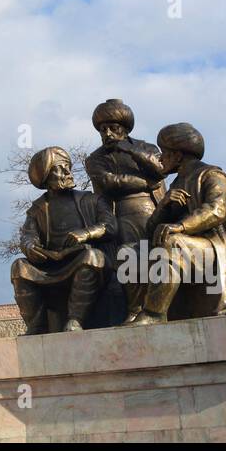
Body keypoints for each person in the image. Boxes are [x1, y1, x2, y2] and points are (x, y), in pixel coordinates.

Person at [125, 123, 226, 325]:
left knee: (173, 242)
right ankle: (135, 311)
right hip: (190, 249)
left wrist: (181, 226)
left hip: (216, 250)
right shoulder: (176, 185)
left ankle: (153, 314)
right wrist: (164, 205)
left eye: (164, 152)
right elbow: (151, 231)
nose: (160, 158)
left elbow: (215, 211)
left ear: (178, 155)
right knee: (130, 253)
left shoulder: (213, 176)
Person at [11, 146, 113, 333]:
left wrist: (87, 233)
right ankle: (37, 325)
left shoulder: (90, 200)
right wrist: (31, 247)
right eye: (59, 168)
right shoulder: (38, 209)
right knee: (19, 267)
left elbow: (110, 225)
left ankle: (75, 320)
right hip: (50, 265)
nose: (67, 172)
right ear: (46, 176)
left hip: (80, 259)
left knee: (93, 257)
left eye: (67, 166)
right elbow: (27, 235)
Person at [84, 98, 166, 323]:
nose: (108, 133)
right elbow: (110, 182)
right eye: (103, 129)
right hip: (122, 212)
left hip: (155, 208)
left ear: (125, 128)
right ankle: (135, 308)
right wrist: (146, 182)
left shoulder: (147, 148)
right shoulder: (95, 159)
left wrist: (130, 150)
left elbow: (161, 169)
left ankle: (160, 307)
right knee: (128, 256)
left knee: (159, 254)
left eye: (114, 128)